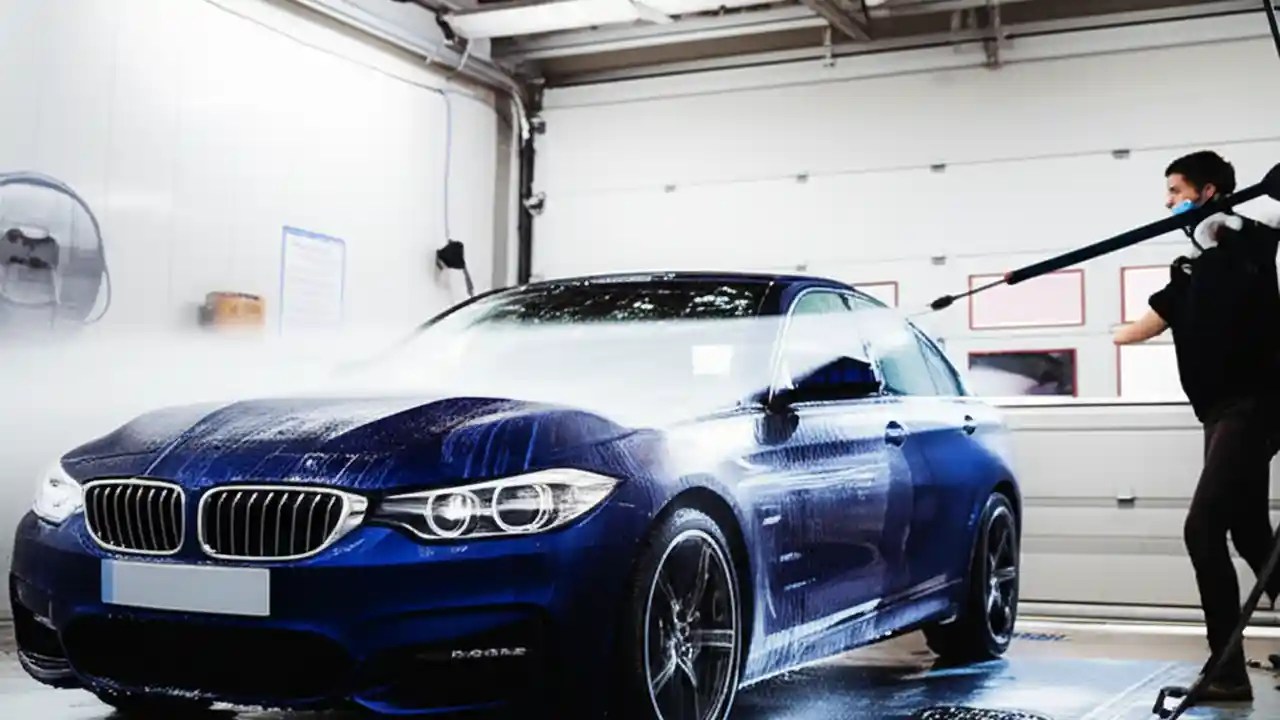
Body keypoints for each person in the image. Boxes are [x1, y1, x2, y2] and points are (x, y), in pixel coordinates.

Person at [1115, 150, 1280, 701]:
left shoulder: (1249, 241)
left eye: (1175, 190)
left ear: (1208, 192)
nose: (1167, 203)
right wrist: (1110, 335)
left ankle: (1227, 673)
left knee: (1202, 529)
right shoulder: (1190, 266)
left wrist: (1235, 228)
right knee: (1251, 531)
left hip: (1252, 407)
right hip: (1218, 413)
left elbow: (1261, 244)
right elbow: (1151, 322)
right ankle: (1230, 670)